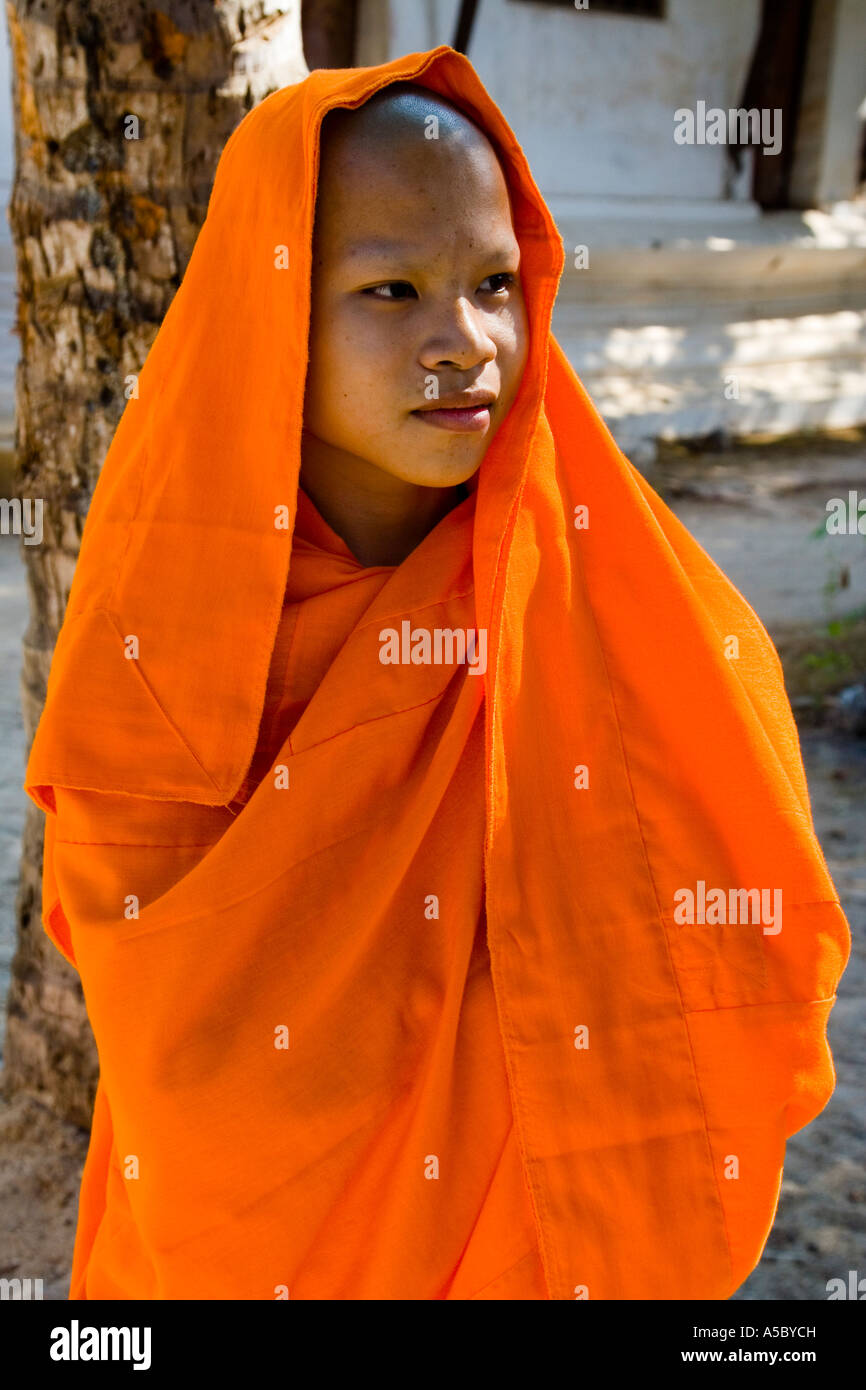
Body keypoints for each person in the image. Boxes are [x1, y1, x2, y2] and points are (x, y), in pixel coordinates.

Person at [24, 45, 850, 1301]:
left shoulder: (595, 576)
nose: (463, 340)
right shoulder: (172, 605)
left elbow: (726, 902)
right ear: (275, 307)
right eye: (391, 288)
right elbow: (150, 960)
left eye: (495, 283)